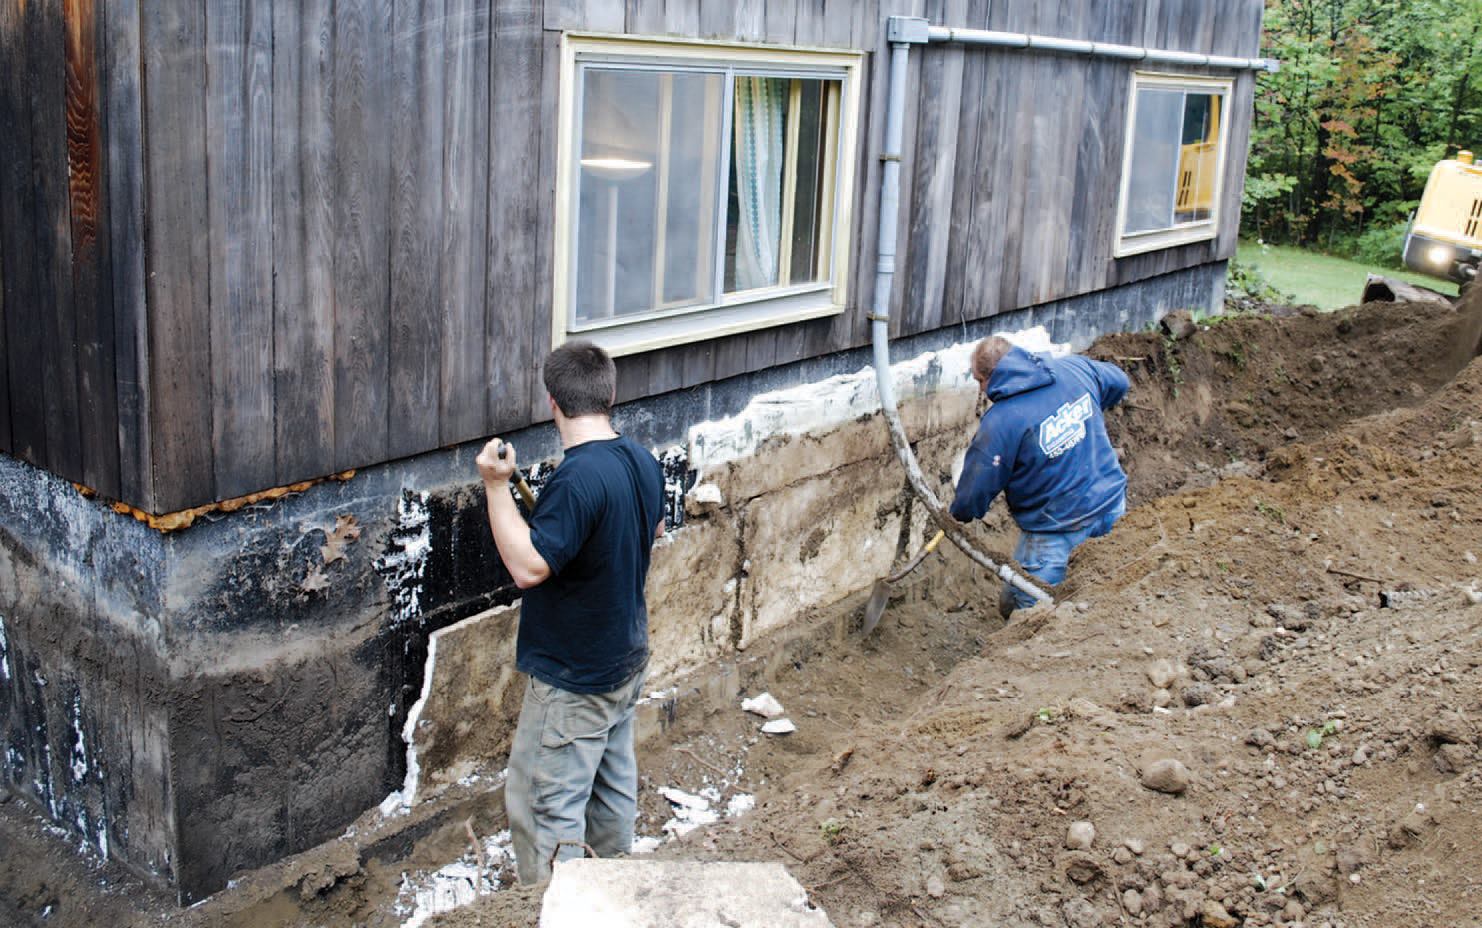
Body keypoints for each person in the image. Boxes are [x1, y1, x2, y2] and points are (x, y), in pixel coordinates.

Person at [475, 340, 665, 884]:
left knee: (545, 811)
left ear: (552, 402)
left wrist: (495, 486)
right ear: (610, 395)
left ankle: (559, 910)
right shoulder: (642, 461)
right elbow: (650, 528)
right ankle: (611, 895)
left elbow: (528, 568)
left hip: (575, 680)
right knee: (610, 796)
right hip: (624, 662)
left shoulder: (578, 478)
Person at [949, 336, 1130, 617]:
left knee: (1033, 615)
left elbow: (975, 490)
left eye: (978, 380)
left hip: (1056, 530)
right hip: (1111, 504)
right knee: (1110, 586)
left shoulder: (1001, 422)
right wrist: (1083, 414)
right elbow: (1119, 381)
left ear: (990, 377)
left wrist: (960, 512)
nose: (981, 389)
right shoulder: (1073, 369)